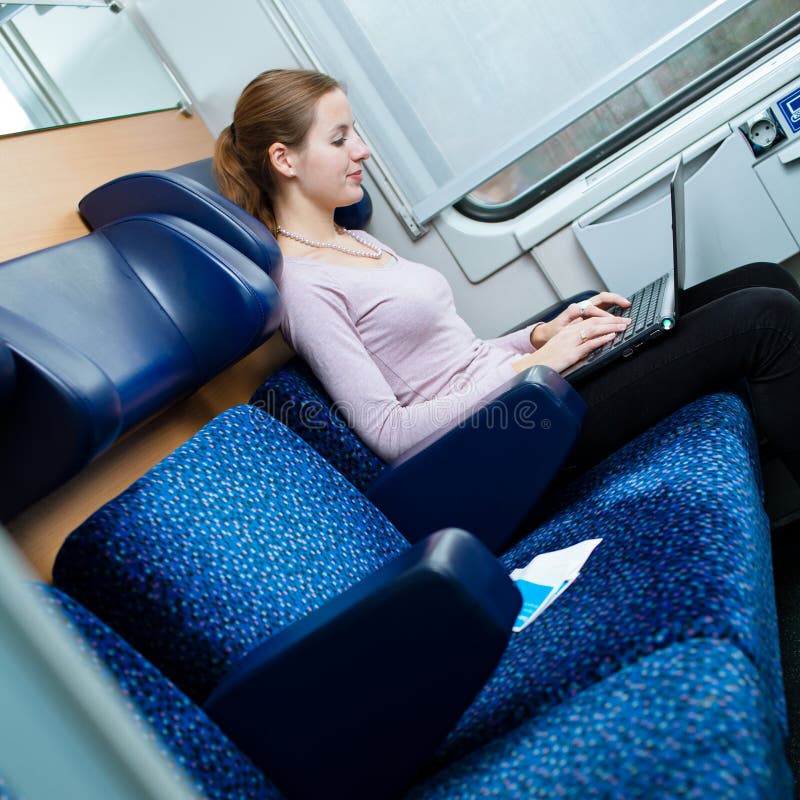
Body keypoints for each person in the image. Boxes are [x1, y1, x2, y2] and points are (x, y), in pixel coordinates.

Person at [214, 68, 800, 494]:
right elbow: (391, 434)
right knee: (766, 319)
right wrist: (533, 367)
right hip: (515, 430)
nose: (363, 150)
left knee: (761, 276)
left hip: (525, 383)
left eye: (356, 133)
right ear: (285, 160)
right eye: (340, 139)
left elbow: (458, 357)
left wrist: (539, 337)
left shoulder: (353, 238)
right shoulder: (304, 287)